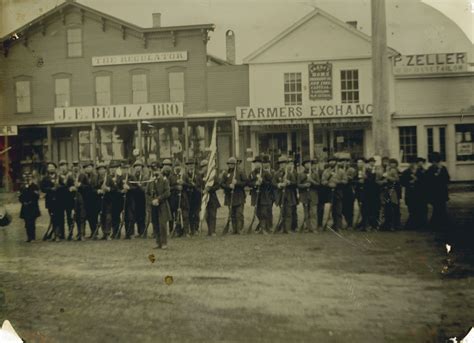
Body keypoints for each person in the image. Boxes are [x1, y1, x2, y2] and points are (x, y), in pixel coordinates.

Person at [147, 162, 172, 249]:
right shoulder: (150, 181)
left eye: (156, 169)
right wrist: (152, 201)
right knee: (155, 224)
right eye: (153, 170)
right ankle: (158, 242)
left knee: (162, 225)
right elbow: (147, 193)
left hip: (162, 205)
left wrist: (158, 199)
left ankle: (164, 242)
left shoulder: (164, 180)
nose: (155, 172)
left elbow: (167, 193)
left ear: (160, 170)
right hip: (153, 205)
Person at [221, 157, 247, 234]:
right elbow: (221, 184)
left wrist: (237, 183)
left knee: (239, 214)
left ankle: (240, 229)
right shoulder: (225, 173)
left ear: (235, 164)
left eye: (233, 164)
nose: (231, 165)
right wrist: (229, 186)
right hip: (230, 196)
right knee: (232, 214)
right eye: (229, 164)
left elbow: (245, 182)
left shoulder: (241, 172)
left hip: (239, 196)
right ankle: (234, 229)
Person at [426, 152, 450, 231]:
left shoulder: (443, 168)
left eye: (436, 161)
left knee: (441, 208)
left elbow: (447, 179)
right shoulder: (430, 169)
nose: (434, 163)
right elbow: (428, 180)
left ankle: (440, 224)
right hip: (434, 192)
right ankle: (437, 224)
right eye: (433, 161)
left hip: (441, 191)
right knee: (437, 208)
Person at [321, 157, 347, 231]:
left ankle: (338, 226)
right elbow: (322, 181)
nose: (332, 162)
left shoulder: (341, 171)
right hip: (329, 192)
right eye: (330, 161)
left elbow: (345, 181)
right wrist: (328, 183)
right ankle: (328, 224)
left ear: (336, 162)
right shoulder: (326, 171)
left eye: (333, 161)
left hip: (338, 192)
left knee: (338, 210)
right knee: (329, 210)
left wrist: (337, 182)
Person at [273, 156, 297, 234]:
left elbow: (295, 183)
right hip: (281, 196)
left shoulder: (290, 174)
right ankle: (283, 228)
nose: (282, 165)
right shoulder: (276, 174)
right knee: (283, 212)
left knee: (289, 213)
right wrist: (279, 184)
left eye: (284, 164)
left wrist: (289, 182)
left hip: (289, 196)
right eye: (281, 164)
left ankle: (288, 229)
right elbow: (273, 183)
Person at [40, 162, 63, 241]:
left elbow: (64, 186)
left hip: (59, 200)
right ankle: (55, 234)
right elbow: (42, 188)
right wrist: (50, 189)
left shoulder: (59, 177)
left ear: (55, 168)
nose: (51, 168)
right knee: (53, 217)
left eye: (52, 167)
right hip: (50, 201)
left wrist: (59, 187)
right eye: (49, 167)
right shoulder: (45, 178)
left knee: (58, 217)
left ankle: (57, 235)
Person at [197, 159, 221, 236]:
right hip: (203, 198)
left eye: (206, 166)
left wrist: (210, 189)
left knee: (213, 214)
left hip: (212, 198)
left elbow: (218, 185)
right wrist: (202, 191)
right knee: (206, 215)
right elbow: (197, 186)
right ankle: (209, 230)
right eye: (203, 167)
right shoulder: (199, 177)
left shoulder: (213, 176)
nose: (205, 168)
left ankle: (213, 231)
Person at [297, 158, 320, 233]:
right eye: (306, 164)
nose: (308, 165)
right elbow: (298, 185)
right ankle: (308, 227)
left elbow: (318, 185)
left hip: (313, 195)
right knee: (306, 212)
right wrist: (304, 185)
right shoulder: (301, 174)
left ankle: (314, 228)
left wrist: (312, 181)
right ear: (304, 165)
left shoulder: (315, 174)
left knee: (313, 212)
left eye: (309, 164)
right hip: (305, 196)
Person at [127, 160, 147, 238]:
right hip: (133, 199)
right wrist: (137, 187)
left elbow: (146, 187)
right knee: (132, 216)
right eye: (136, 167)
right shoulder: (131, 177)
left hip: (142, 199)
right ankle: (131, 233)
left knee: (141, 215)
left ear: (142, 168)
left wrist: (140, 187)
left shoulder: (145, 177)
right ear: (134, 168)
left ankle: (141, 232)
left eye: (139, 166)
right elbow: (129, 186)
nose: (138, 168)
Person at [79, 161, 100, 239]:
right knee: (84, 216)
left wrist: (82, 186)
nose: (88, 169)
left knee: (93, 217)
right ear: (84, 169)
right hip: (84, 200)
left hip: (94, 200)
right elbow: (79, 187)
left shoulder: (96, 176)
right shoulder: (81, 176)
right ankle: (82, 234)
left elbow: (95, 187)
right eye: (86, 167)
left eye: (90, 167)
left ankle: (95, 233)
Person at [380, 159, 402, 231]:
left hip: (392, 190)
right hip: (385, 190)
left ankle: (394, 225)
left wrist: (387, 177)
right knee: (386, 208)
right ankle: (387, 225)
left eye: (394, 163)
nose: (392, 165)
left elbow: (396, 179)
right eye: (391, 163)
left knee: (393, 207)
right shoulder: (386, 169)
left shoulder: (394, 170)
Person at [19, 171, 41, 242]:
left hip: (33, 206)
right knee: (27, 223)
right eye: (26, 177)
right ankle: (28, 236)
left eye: (29, 177)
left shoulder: (34, 186)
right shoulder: (22, 187)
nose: (27, 179)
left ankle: (33, 237)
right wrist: (23, 201)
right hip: (25, 206)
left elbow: (37, 196)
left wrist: (31, 188)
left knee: (32, 222)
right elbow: (20, 196)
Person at [58, 160, 75, 240]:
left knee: (69, 217)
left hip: (69, 199)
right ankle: (62, 234)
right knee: (61, 217)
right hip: (60, 199)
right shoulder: (58, 176)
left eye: (64, 165)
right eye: (61, 165)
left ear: (67, 166)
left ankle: (70, 233)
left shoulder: (70, 176)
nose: (63, 167)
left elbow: (73, 186)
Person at [96, 162, 113, 240]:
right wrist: (98, 191)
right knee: (102, 216)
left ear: (105, 170)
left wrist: (108, 189)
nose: (101, 171)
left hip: (108, 200)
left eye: (103, 169)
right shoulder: (96, 178)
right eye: (100, 169)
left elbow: (115, 189)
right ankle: (104, 232)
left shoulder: (109, 178)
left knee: (108, 217)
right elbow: (92, 188)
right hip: (99, 200)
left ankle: (108, 233)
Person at [69, 161, 86, 241]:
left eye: (77, 166)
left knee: (82, 216)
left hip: (82, 199)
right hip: (72, 199)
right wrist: (70, 188)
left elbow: (88, 186)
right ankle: (74, 233)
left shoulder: (83, 176)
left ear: (79, 167)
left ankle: (82, 234)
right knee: (74, 217)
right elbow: (66, 187)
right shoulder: (70, 177)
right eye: (74, 166)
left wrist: (81, 185)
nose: (75, 168)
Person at [184, 159, 201, 235]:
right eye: (188, 165)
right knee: (190, 213)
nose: (190, 166)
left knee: (196, 213)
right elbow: (184, 185)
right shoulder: (184, 175)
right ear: (186, 166)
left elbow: (198, 184)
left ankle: (196, 228)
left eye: (192, 164)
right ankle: (191, 229)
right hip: (188, 197)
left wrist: (194, 185)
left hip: (196, 196)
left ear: (194, 165)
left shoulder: (198, 174)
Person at [342, 158, 356, 230]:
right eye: (343, 161)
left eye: (347, 161)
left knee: (349, 207)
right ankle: (346, 222)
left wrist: (344, 177)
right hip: (342, 191)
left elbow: (351, 178)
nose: (345, 162)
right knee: (343, 208)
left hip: (349, 190)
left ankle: (350, 224)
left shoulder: (351, 170)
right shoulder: (340, 169)